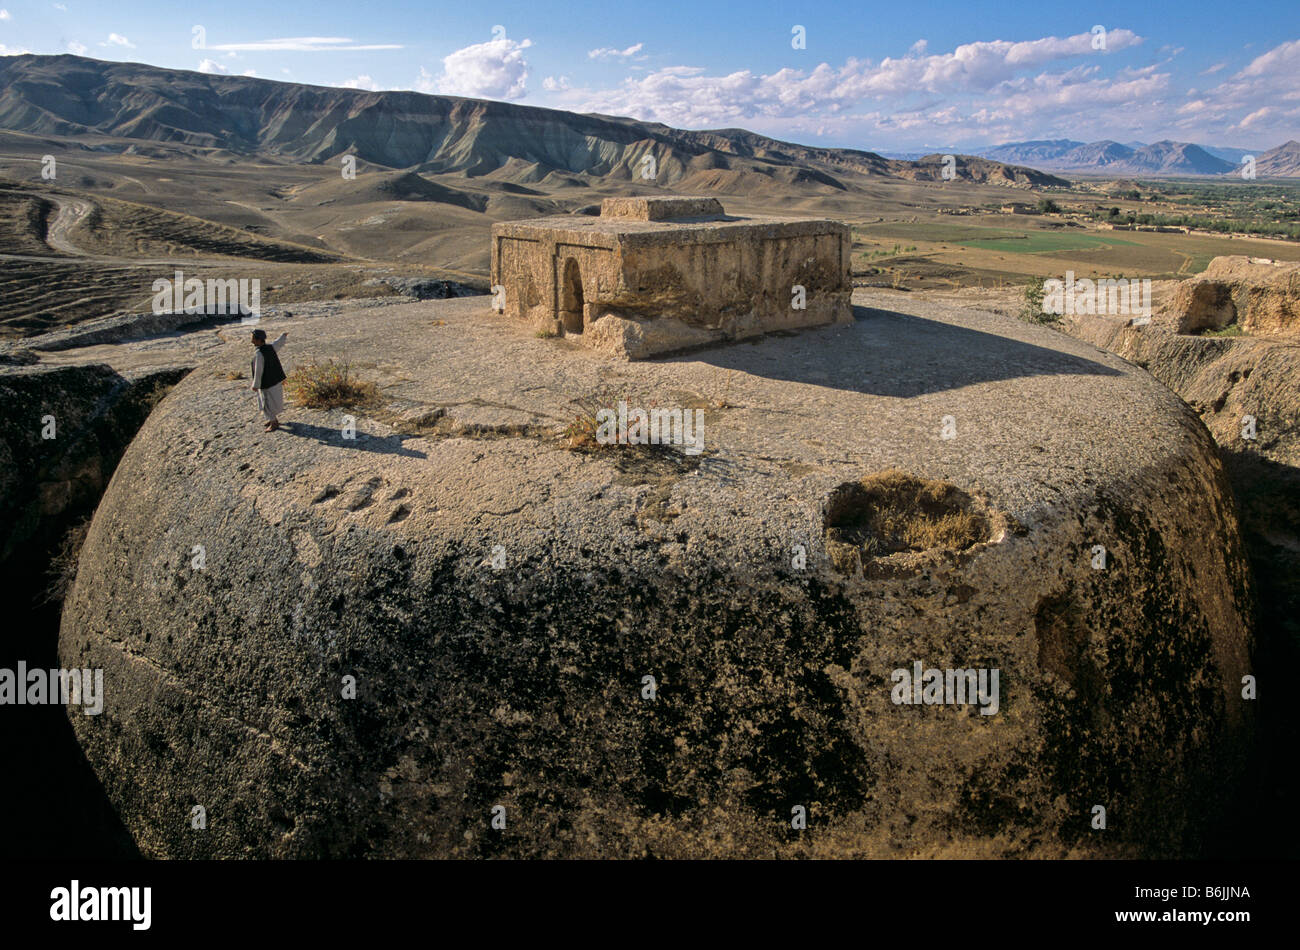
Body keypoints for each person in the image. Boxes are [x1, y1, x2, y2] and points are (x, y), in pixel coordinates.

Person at [249, 328, 288, 431]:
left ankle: (274, 422)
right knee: (273, 401)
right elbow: (278, 343)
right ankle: (271, 419)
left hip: (266, 383)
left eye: (253, 338)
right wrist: (283, 336)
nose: (251, 340)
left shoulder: (259, 354)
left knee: (267, 403)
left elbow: (258, 371)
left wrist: (255, 385)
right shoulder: (270, 348)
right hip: (275, 380)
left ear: (258, 340)